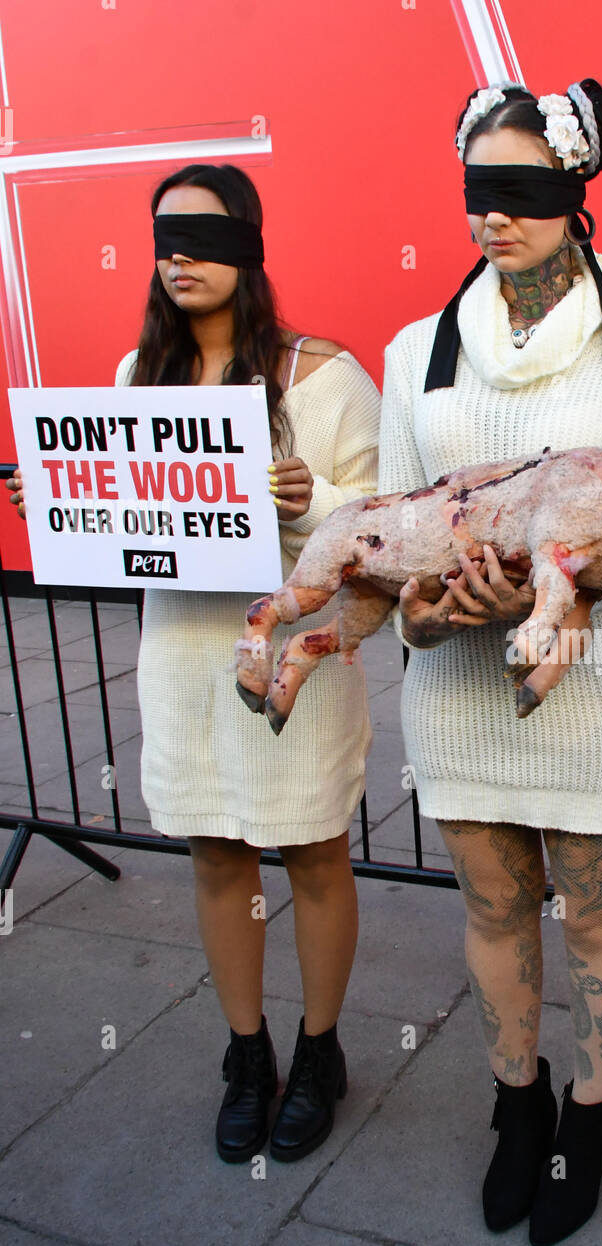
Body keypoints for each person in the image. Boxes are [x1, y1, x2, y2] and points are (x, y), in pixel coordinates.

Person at [376, 79, 602, 1246]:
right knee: (495, 907)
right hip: (459, 705)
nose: (494, 218)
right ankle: (518, 1106)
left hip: (598, 706)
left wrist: (560, 607)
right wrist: (426, 619)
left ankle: (592, 1110)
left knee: (598, 922)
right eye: (478, 194)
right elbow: (383, 542)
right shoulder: (417, 353)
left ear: (577, 194)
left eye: (523, 193)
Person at [9, 163, 381, 1165]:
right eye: (165, 237)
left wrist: (309, 495)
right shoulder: (139, 377)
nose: (180, 257)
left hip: (293, 659)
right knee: (217, 851)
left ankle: (319, 1049)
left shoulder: (325, 375)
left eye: (204, 238)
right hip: (182, 652)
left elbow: (385, 519)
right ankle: (247, 1050)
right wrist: (62, 506)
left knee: (309, 848)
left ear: (250, 250)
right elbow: (134, 515)